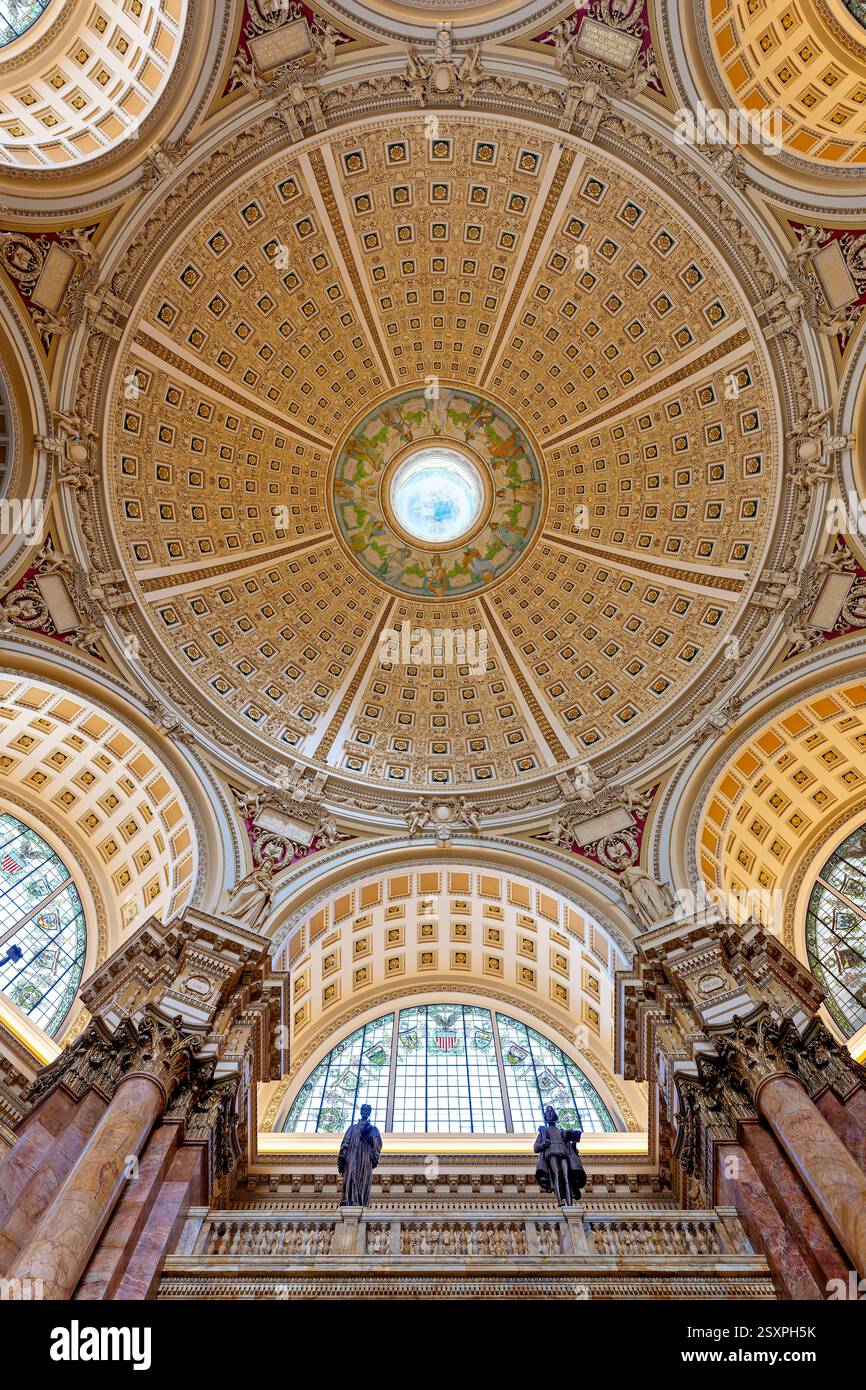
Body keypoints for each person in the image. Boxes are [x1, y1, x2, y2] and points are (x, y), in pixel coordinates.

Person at [533, 1103, 587, 1206]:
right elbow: (536, 1147)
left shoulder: (561, 1131)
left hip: (563, 1153)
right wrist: (543, 1144)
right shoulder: (544, 1131)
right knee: (556, 1174)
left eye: (551, 1111)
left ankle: (569, 1202)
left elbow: (571, 1146)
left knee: (566, 1177)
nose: (550, 1113)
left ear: (555, 1114)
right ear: (545, 1115)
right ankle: (560, 1200)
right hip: (552, 1153)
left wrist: (573, 1138)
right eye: (548, 1112)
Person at [337, 1103, 382, 1207]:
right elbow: (346, 1141)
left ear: (369, 1113)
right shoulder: (352, 1128)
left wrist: (370, 1138)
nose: (365, 1111)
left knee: (362, 1177)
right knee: (350, 1175)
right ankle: (348, 1199)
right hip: (352, 1154)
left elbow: (377, 1144)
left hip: (365, 1156)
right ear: (361, 1111)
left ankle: (359, 1200)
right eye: (364, 1109)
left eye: (367, 1110)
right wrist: (343, 1155)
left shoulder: (373, 1129)